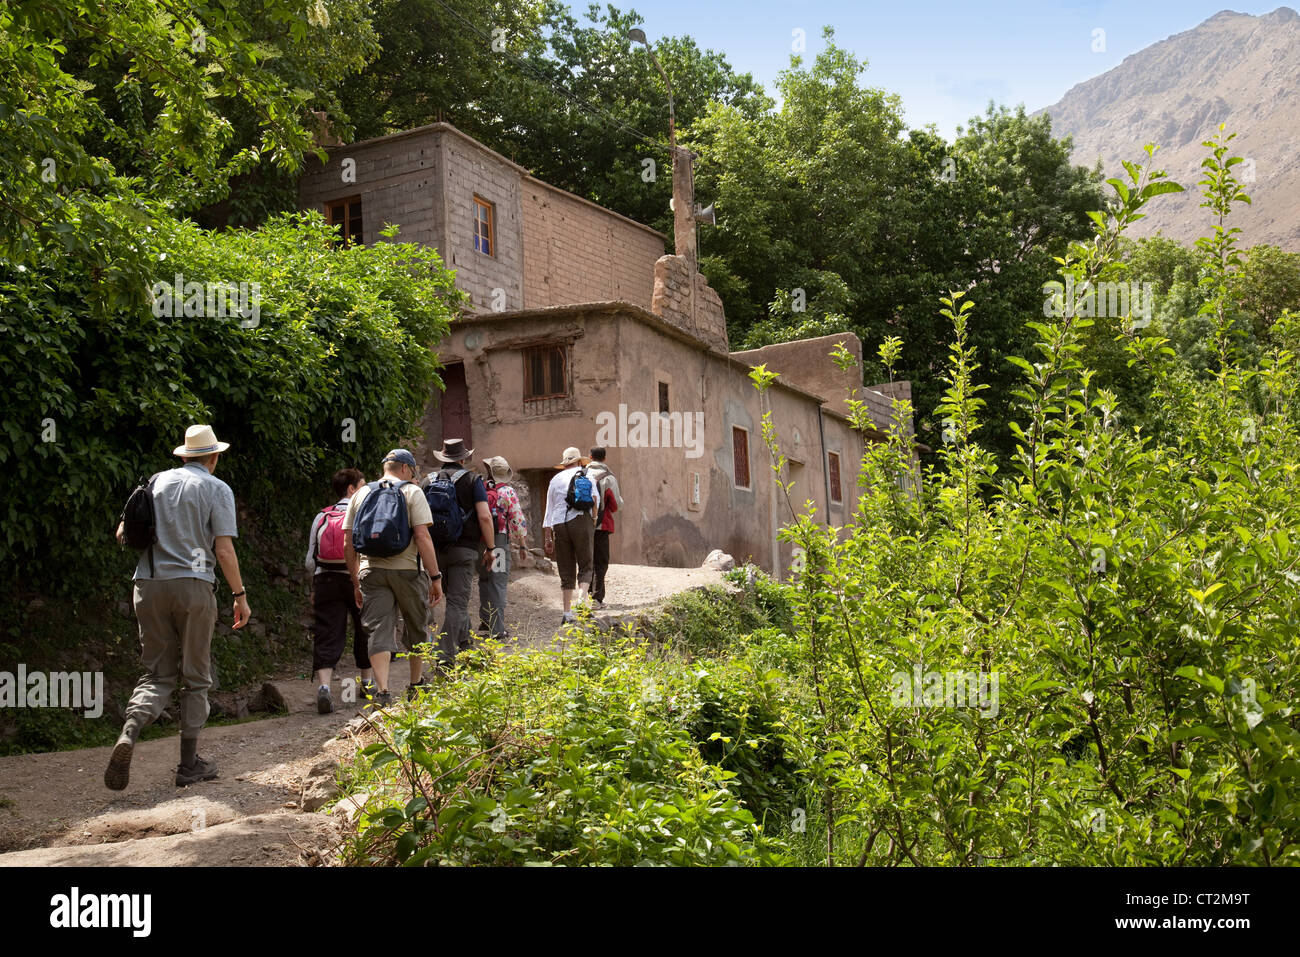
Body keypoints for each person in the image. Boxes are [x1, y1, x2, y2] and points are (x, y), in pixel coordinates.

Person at [105, 424, 250, 790]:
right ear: (213, 457)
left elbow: (123, 534)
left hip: (148, 585)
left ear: (184, 455)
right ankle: (188, 766)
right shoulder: (217, 489)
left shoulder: (154, 482)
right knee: (196, 676)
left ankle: (130, 730)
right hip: (194, 587)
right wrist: (240, 595)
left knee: (156, 674)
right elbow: (223, 550)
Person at [342, 449, 443, 709]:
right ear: (406, 469)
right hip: (409, 570)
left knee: (378, 628)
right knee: (416, 624)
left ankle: (383, 692)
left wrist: (355, 581)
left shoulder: (361, 494)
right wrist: (435, 577)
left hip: (371, 571)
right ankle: (416, 684)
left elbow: (348, 542)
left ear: (385, 467)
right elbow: (422, 537)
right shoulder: (412, 492)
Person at [423, 439, 495, 670]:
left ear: (442, 459)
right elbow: (484, 516)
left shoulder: (426, 481)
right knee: (458, 602)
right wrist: (491, 549)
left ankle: (466, 644)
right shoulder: (473, 480)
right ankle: (445, 655)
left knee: (450, 600)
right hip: (464, 549)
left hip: (435, 551)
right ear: (463, 459)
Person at [306, 468, 373, 713]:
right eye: (362, 485)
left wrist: (315, 584)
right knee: (364, 628)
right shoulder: (363, 513)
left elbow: (309, 560)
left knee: (327, 632)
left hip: (326, 580)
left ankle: (324, 688)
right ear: (351, 489)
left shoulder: (321, 516)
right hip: (357, 579)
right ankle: (367, 683)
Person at [542, 446, 598, 624]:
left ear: (565, 462)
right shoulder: (587, 475)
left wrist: (548, 537)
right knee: (586, 564)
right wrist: (594, 519)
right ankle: (581, 604)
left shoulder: (555, 479)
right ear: (579, 461)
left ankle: (567, 613)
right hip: (581, 519)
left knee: (566, 568)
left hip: (559, 524)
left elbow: (548, 511)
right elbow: (595, 499)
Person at [478, 455, 528, 640]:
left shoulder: (481, 488)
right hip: (498, 541)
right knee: (497, 582)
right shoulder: (507, 492)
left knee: (484, 580)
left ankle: (485, 620)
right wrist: (522, 545)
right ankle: (497, 628)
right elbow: (516, 519)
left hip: (479, 541)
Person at [585, 447, 622, 609]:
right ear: (604, 459)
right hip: (600, 524)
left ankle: (584, 596)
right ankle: (597, 598)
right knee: (601, 561)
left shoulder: (580, 474)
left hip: (581, 524)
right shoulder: (608, 478)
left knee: (586, 560)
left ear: (589, 457)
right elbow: (615, 505)